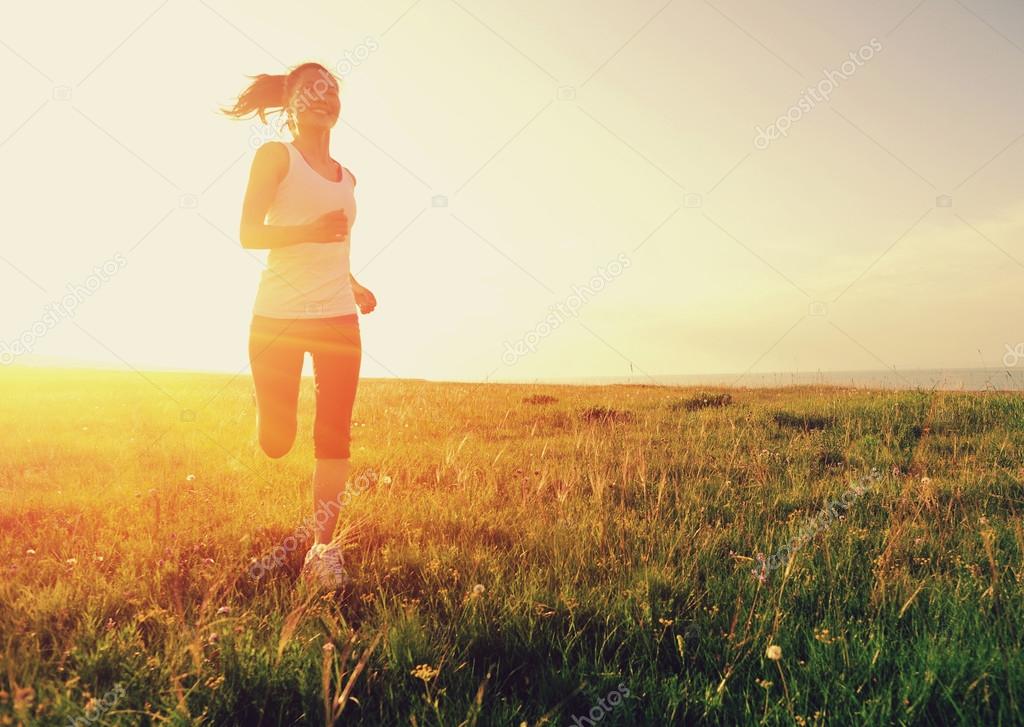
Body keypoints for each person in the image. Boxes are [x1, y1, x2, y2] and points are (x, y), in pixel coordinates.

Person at [222, 62, 376, 589]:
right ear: (291, 105)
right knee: (277, 441)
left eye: (332, 91)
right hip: (278, 317)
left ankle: (322, 550)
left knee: (333, 434)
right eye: (312, 91)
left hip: (337, 316)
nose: (324, 98)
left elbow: (337, 245)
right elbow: (247, 233)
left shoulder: (348, 177)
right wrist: (307, 230)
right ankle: (268, 415)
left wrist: (353, 285)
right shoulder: (275, 157)